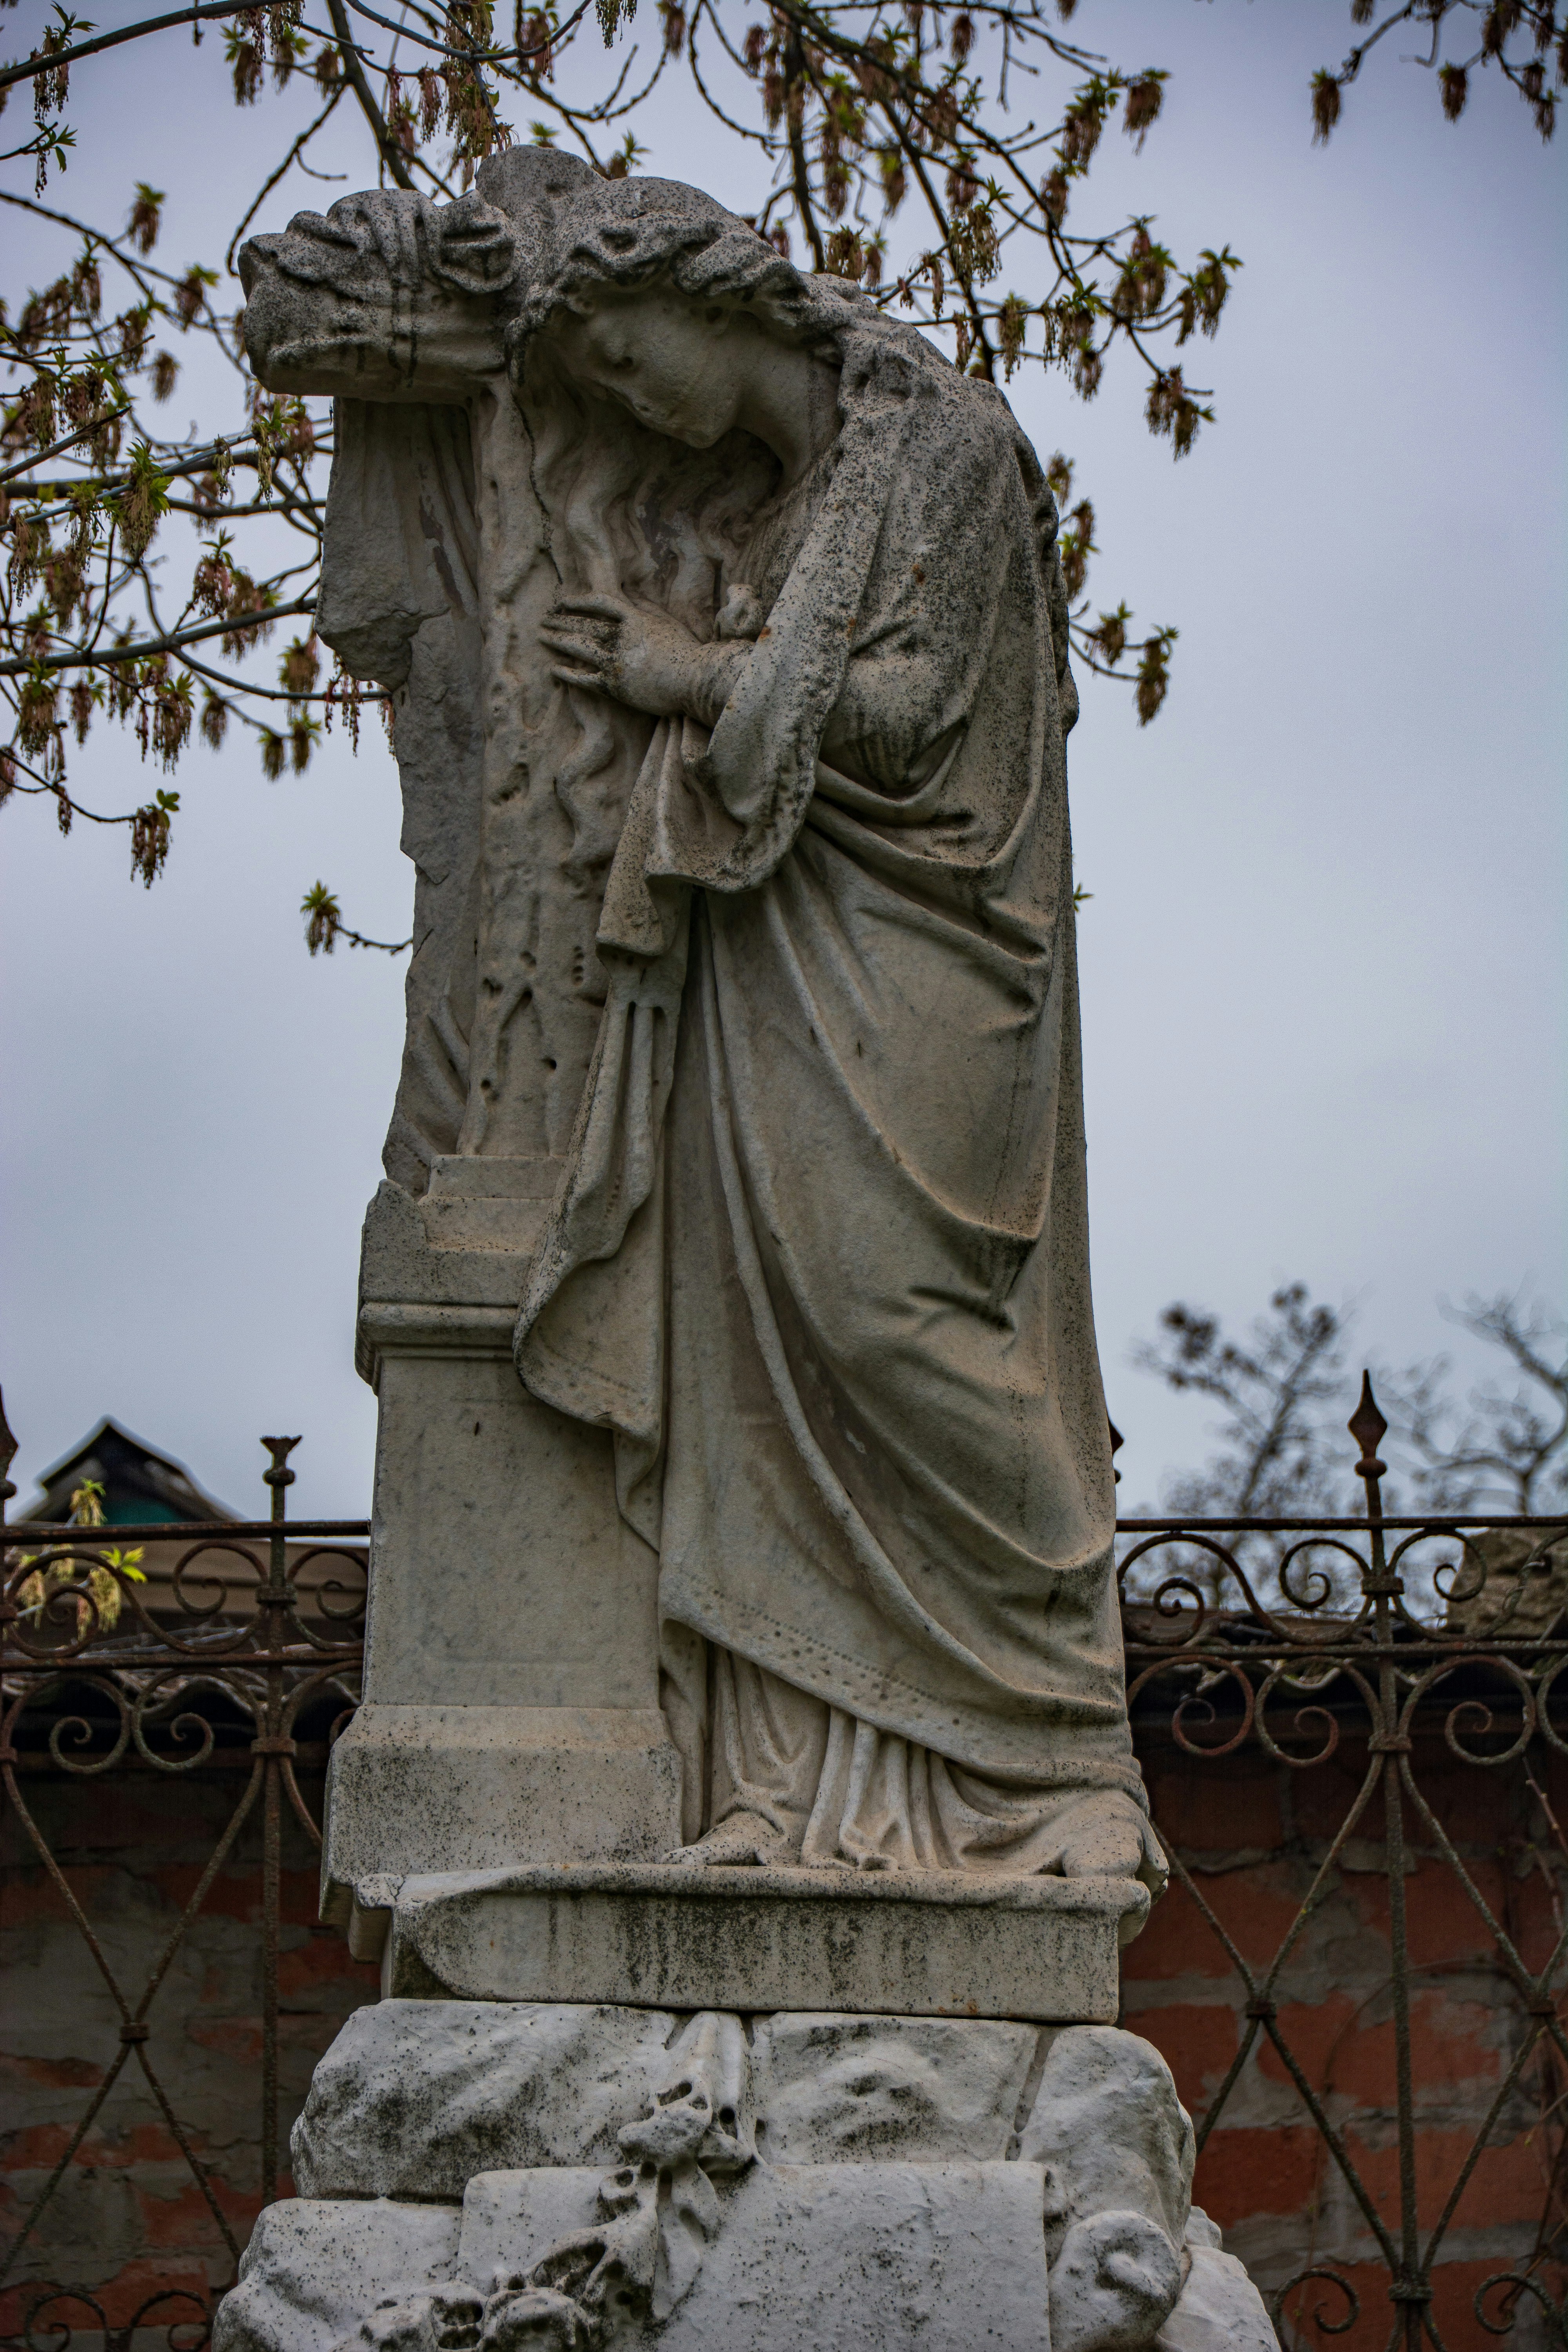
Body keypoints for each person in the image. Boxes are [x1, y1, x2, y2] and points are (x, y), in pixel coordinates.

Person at [507, 173, 1163, 1891]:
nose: (636, 408)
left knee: (896, 1321)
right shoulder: (801, 490)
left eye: (634, 362)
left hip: (929, 945)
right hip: (776, 946)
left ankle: (1063, 1749)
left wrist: (686, 676)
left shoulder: (931, 439)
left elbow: (903, 713)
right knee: (757, 1330)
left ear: (717, 295)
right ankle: (794, 1789)